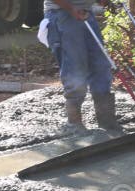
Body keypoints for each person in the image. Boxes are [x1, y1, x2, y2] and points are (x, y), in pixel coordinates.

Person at [44, 0, 120, 133]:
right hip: (62, 13)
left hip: (85, 12)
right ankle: (74, 124)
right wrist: (72, 8)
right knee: (75, 67)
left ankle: (107, 120)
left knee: (100, 65)